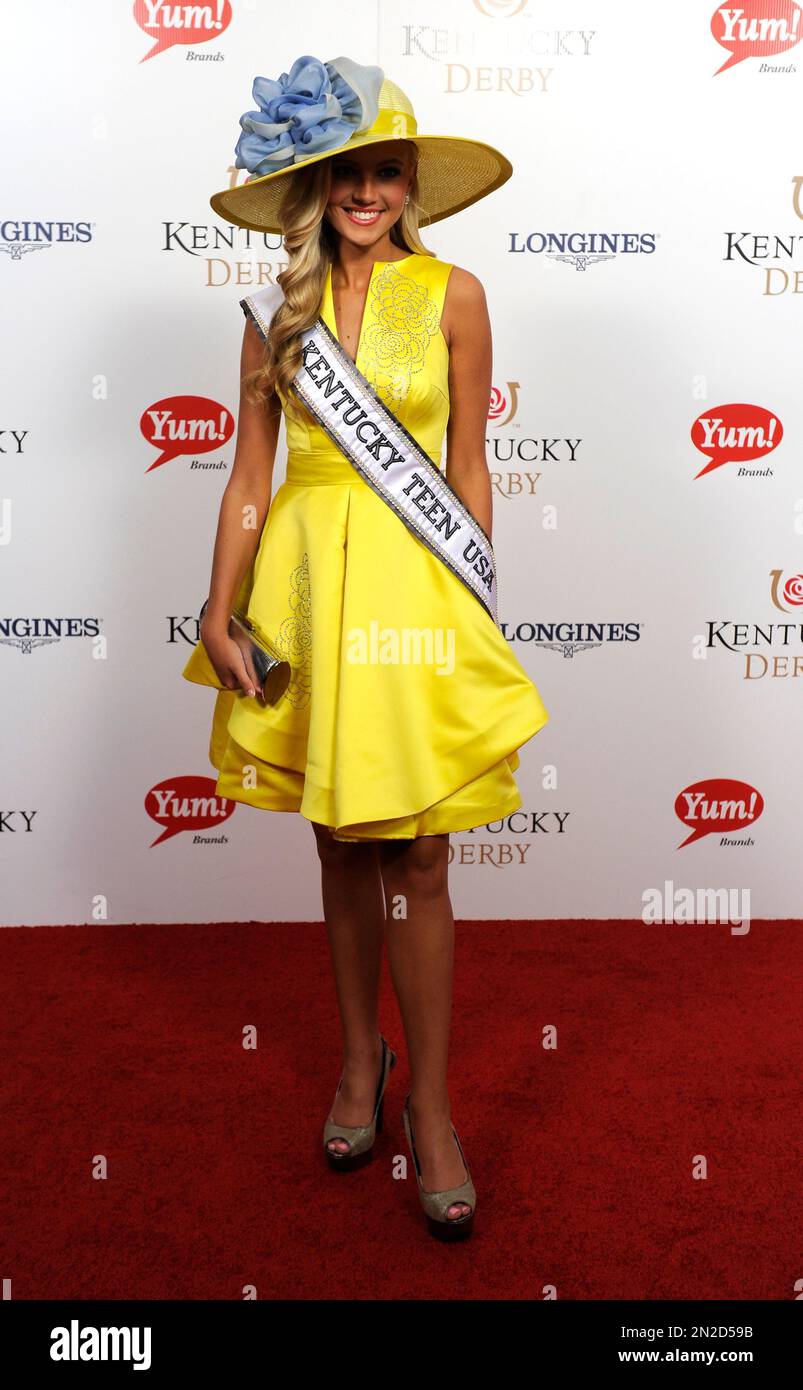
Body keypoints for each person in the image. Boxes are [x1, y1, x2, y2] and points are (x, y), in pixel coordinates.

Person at [182, 55, 550, 1239]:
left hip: (412, 586)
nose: (367, 193)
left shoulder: (453, 293)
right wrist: (217, 603)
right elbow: (250, 475)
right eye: (348, 172)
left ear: (410, 188)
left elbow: (470, 464)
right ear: (316, 183)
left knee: (423, 856)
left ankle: (431, 1109)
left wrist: (472, 593)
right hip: (304, 585)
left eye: (387, 173)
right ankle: (359, 1065)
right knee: (341, 841)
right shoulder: (270, 318)